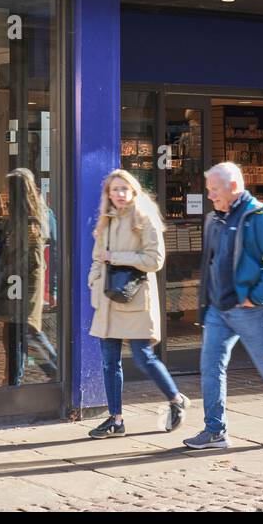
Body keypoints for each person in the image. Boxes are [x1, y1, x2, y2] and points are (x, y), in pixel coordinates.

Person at [183, 161, 263, 451]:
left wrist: (257, 297)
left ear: (233, 186)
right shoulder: (215, 219)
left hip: (250, 309)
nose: (210, 196)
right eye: (208, 190)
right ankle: (215, 430)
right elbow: (212, 263)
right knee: (210, 367)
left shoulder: (260, 217)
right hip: (219, 308)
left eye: (214, 190)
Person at [87, 169, 190, 437]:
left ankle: (176, 400)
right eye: (114, 190)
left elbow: (155, 260)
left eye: (124, 188)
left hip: (135, 299)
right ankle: (116, 420)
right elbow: (98, 258)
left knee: (143, 357)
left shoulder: (145, 218)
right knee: (109, 363)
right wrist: (94, 281)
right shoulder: (106, 220)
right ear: (108, 194)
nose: (120, 194)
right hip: (108, 299)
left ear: (134, 190)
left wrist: (117, 257)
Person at [0, 168, 59, 384]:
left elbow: (32, 259)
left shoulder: (32, 220)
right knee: (12, 331)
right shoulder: (18, 216)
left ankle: (57, 371)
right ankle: (14, 379)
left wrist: (10, 266)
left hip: (25, 285)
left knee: (29, 331)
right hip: (14, 282)